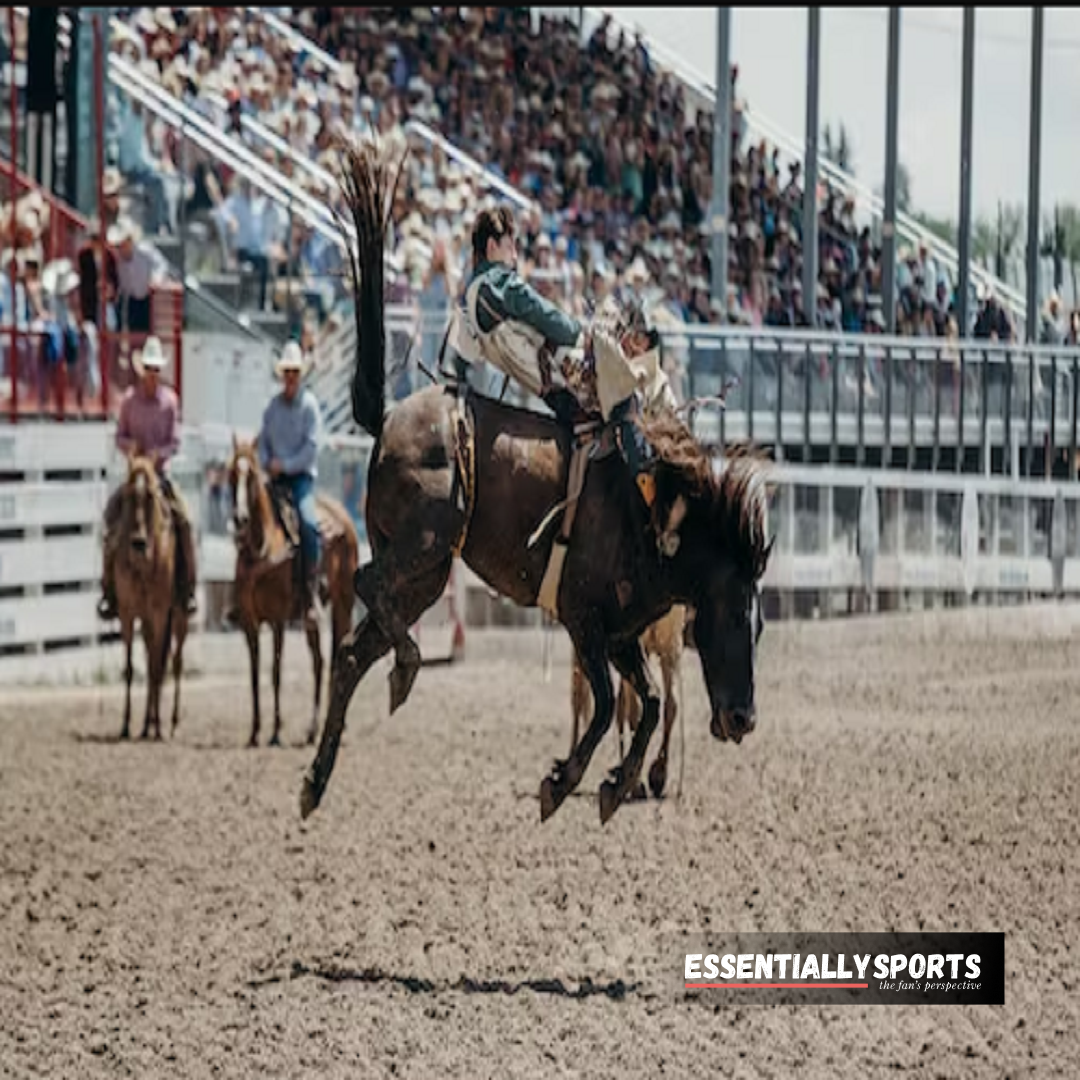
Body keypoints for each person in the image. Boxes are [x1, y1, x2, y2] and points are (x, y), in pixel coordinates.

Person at [98, 336, 197, 619]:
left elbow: (175, 442)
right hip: (135, 476)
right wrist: (131, 448)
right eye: (148, 368)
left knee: (184, 521)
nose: (152, 373)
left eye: (156, 368)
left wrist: (158, 455)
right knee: (111, 521)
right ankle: (108, 588)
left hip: (160, 475)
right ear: (142, 370)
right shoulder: (129, 401)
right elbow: (120, 436)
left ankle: (186, 586)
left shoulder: (169, 402)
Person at [257, 341, 323, 623]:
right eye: (287, 372)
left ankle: (311, 590)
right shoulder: (272, 408)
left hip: (300, 479)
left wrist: (282, 464)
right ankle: (246, 594)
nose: (291, 377)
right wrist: (265, 462)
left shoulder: (309, 407)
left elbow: (311, 448)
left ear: (300, 374)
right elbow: (262, 443)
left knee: (308, 523)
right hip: (274, 479)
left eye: (294, 372)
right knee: (249, 521)